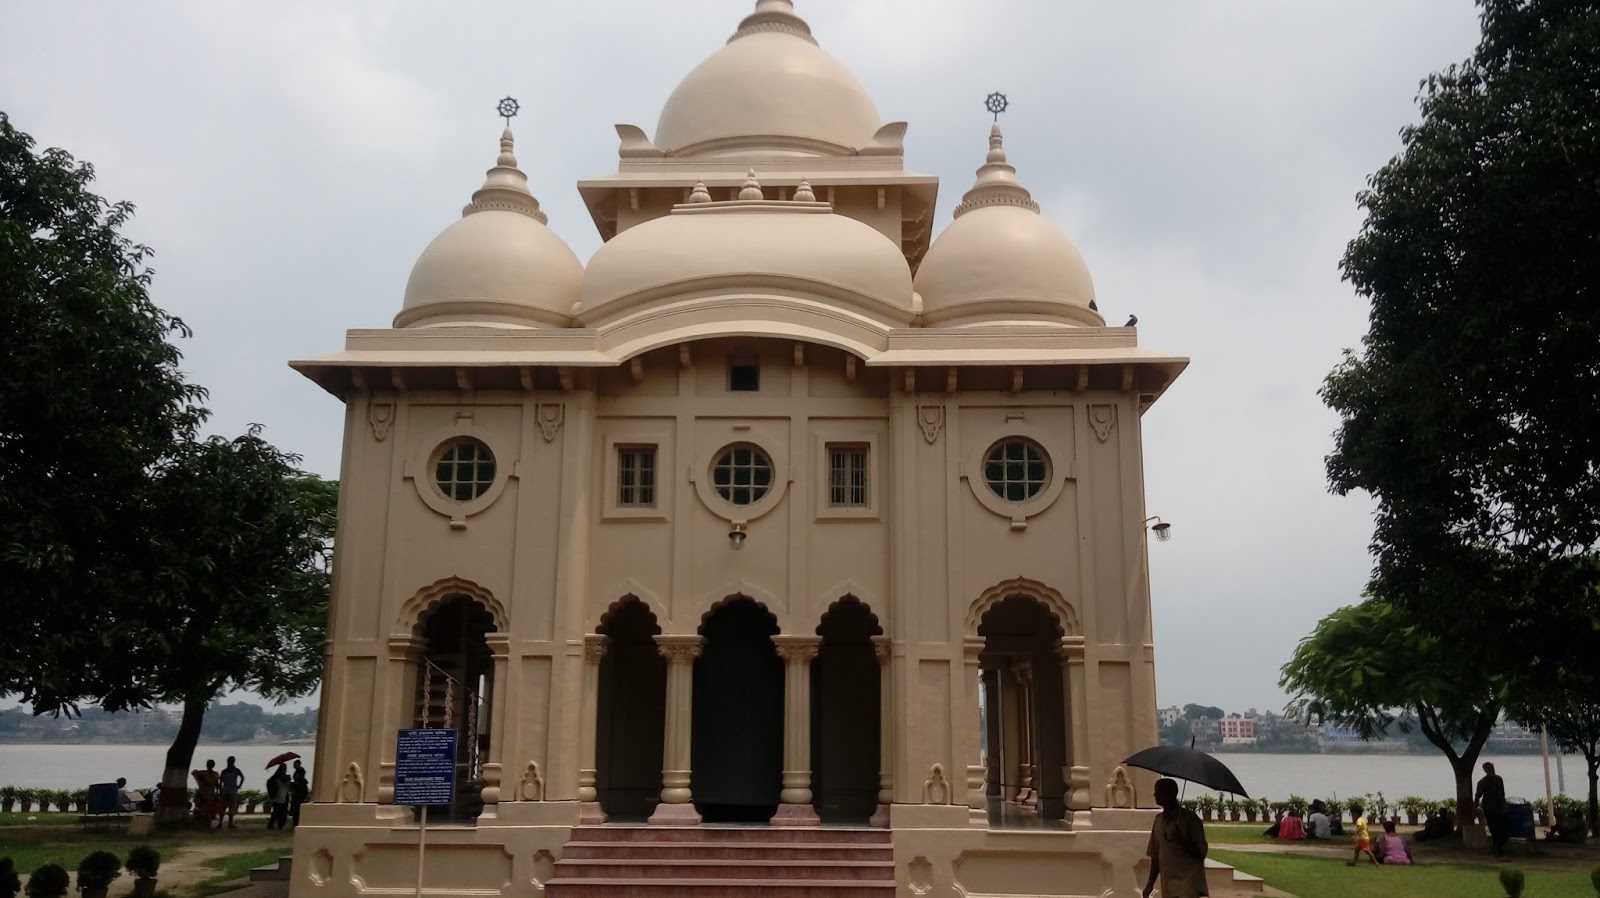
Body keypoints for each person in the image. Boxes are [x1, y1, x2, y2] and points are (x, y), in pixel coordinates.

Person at [1144, 778, 1209, 898]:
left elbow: (1202, 852)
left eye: (1158, 791)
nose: (1155, 795)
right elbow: (1156, 855)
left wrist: (1183, 842)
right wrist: (1150, 883)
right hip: (1168, 886)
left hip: (1188, 885)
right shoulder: (1158, 821)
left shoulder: (1190, 819)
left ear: (1169, 794)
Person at [1476, 761, 1510, 857]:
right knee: (1495, 829)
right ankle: (1498, 849)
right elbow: (1478, 796)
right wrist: (1474, 808)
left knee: (1502, 829)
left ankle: (1499, 847)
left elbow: (1502, 794)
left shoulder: (1499, 780)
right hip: (1490, 809)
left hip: (1500, 808)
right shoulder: (1483, 782)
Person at [218, 757, 245, 829]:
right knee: (229, 808)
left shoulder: (225, 771)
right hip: (231, 791)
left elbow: (220, 782)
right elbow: (242, 777)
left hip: (226, 791)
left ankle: (222, 823)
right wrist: (239, 785)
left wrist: (220, 790)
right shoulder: (235, 770)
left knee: (225, 808)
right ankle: (227, 823)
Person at [191, 759, 221, 826]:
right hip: (205, 793)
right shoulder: (203, 773)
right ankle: (199, 821)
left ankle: (205, 822)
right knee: (200, 807)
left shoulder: (207, 773)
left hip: (207, 793)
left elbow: (217, 784)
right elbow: (193, 772)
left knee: (206, 808)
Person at [266, 763, 292, 830]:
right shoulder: (282, 777)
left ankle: (275, 824)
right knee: (280, 812)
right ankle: (279, 825)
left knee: (277, 812)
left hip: (280, 795)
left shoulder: (274, 777)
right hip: (280, 795)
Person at [290, 760, 310, 827]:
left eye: (295, 764)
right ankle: (295, 823)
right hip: (298, 792)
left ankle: (296, 823)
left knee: (297, 809)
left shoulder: (300, 771)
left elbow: (299, 781)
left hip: (299, 793)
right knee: (295, 809)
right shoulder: (297, 772)